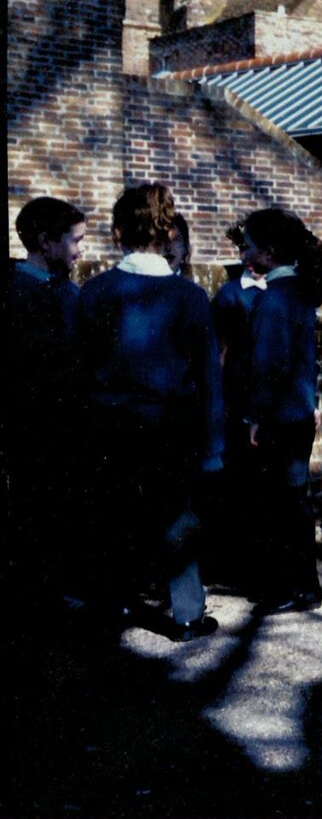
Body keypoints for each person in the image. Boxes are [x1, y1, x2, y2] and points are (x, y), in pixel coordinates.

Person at [73, 184, 223, 641]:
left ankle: (113, 605)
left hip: (108, 426)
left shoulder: (95, 292)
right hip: (171, 428)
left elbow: (79, 370)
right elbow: (209, 380)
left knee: (112, 515)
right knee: (178, 519)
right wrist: (214, 448)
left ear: (119, 232)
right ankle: (186, 616)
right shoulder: (191, 297)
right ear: (165, 232)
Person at [235, 209, 322, 615]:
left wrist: (254, 415)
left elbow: (267, 365)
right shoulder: (299, 294)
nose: (242, 251)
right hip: (298, 413)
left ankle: (288, 586)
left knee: (278, 505)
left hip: (277, 416)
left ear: (269, 253)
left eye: (248, 245)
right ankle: (305, 584)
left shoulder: (272, 300)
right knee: (295, 501)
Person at [4, 196, 87, 605]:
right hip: (35, 426)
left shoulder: (69, 293)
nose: (80, 250)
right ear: (45, 242)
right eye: (74, 241)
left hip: (67, 425)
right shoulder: (17, 294)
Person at [204, 225, 271, 582]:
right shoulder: (229, 296)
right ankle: (239, 564)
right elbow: (216, 352)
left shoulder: (281, 292)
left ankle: (265, 564)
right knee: (239, 484)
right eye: (245, 248)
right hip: (238, 402)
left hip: (273, 404)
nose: (250, 256)